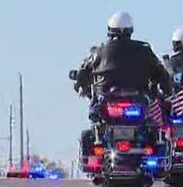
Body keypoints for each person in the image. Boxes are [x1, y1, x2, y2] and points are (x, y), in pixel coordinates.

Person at [74, 12, 173, 157]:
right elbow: (161, 73)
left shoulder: (99, 52)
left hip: (108, 103)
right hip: (137, 101)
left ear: (109, 30)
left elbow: (83, 72)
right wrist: (166, 91)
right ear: (130, 30)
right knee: (151, 125)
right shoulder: (144, 50)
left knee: (96, 118)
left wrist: (79, 85)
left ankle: (98, 148)